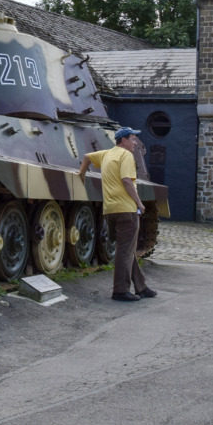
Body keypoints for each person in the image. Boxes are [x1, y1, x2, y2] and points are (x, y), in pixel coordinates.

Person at [79, 126, 157, 302]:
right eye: (133, 139)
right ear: (124, 141)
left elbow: (86, 157)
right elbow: (127, 180)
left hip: (110, 210)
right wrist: (139, 203)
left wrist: (82, 174)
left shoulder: (107, 154)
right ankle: (120, 290)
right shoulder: (126, 155)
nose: (135, 143)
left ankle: (141, 287)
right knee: (125, 251)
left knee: (126, 249)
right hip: (126, 210)